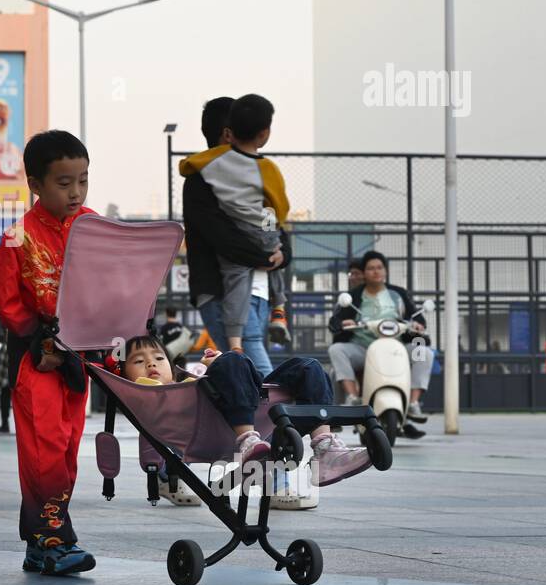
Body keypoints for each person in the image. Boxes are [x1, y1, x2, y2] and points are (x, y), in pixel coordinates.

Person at [0, 129, 98, 576]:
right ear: (34, 184)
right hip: (38, 360)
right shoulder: (18, 238)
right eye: (64, 182)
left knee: (68, 448)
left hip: (79, 362)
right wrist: (41, 337)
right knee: (44, 450)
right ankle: (54, 541)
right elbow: (7, 302)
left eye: (83, 180)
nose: (76, 192)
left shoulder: (96, 227)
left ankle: (39, 543)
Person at [118, 336, 371, 484]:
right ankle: (247, 439)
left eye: (159, 358)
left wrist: (215, 367)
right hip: (228, 435)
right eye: (139, 361)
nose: (151, 362)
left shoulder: (185, 381)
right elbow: (152, 424)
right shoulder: (148, 393)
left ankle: (324, 449)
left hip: (257, 415)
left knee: (310, 367)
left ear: (173, 368)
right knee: (233, 360)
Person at [181, 98, 288, 379]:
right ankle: (281, 417)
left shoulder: (252, 173)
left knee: (244, 367)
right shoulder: (201, 179)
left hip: (258, 286)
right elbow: (220, 235)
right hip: (221, 288)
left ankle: (259, 420)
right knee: (255, 366)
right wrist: (266, 257)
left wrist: (283, 252)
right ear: (228, 133)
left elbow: (274, 217)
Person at [327, 249, 432, 436]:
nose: (375, 271)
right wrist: (345, 322)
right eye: (370, 268)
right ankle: (352, 397)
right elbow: (335, 322)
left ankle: (414, 403)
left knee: (423, 350)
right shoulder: (354, 295)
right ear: (364, 272)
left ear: (385, 271)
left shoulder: (398, 294)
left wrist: (417, 324)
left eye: (379, 267)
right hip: (363, 348)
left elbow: (418, 319)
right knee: (337, 350)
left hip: (396, 347)